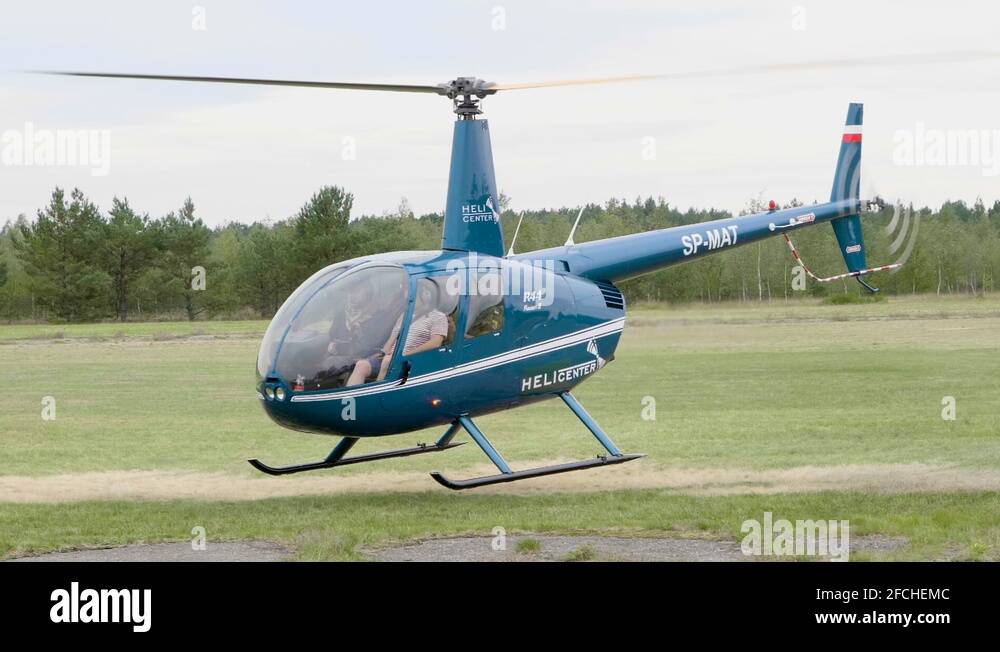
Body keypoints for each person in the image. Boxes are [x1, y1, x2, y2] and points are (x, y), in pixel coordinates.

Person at [346, 279, 448, 386]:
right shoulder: (404, 316)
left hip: (412, 361)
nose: (408, 298)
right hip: (392, 358)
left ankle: (377, 397)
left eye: (411, 294)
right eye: (406, 294)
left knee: (387, 362)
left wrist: (404, 354)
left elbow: (435, 343)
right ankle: (350, 400)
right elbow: (390, 342)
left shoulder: (438, 317)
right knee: (361, 365)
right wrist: (377, 355)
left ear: (425, 294)